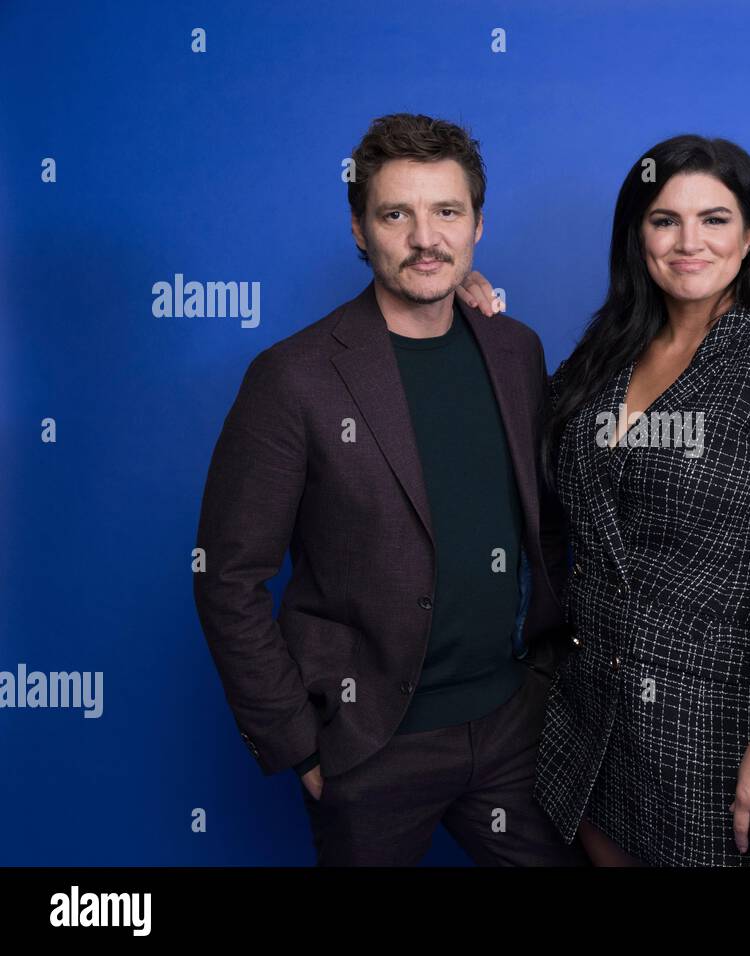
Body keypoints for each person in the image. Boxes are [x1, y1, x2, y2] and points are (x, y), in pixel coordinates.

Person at [193, 113, 585, 865]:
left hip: (513, 726)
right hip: (369, 744)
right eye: (395, 214)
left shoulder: (515, 350)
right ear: (358, 230)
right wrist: (294, 740)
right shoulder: (293, 378)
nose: (425, 238)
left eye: (447, 212)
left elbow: (547, 523)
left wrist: (545, 673)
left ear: (478, 226)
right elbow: (227, 578)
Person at [512, 135, 750, 866]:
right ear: (637, 234)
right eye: (665, 220)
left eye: (714, 219)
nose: (687, 241)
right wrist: (469, 304)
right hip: (586, 720)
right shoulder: (603, 353)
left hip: (713, 733)